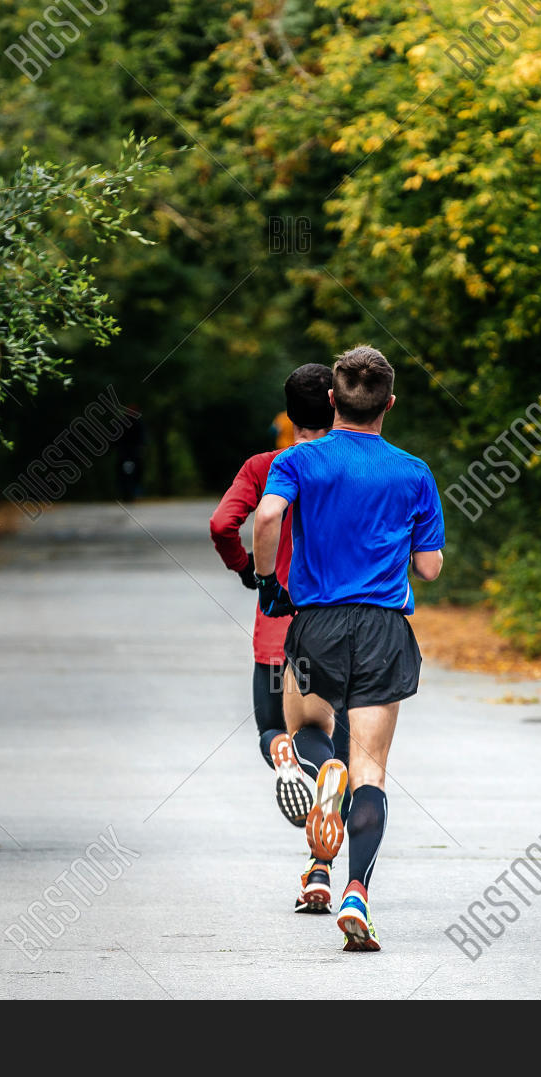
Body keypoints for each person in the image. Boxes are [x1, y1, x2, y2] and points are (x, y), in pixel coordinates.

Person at [252, 345, 445, 952]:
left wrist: (267, 584)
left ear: (331, 400)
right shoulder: (415, 472)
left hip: (317, 624)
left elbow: (265, 519)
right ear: (390, 403)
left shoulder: (302, 460)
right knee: (373, 773)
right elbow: (431, 568)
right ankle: (356, 892)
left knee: (308, 726)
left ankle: (318, 773)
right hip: (385, 629)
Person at [208, 364, 351, 914]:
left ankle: (282, 754)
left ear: (288, 416)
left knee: (274, 726)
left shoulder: (266, 466)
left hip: (277, 628)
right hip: (338, 626)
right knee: (334, 750)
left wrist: (247, 567)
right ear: (337, 405)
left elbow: (223, 524)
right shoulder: (351, 467)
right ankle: (321, 872)